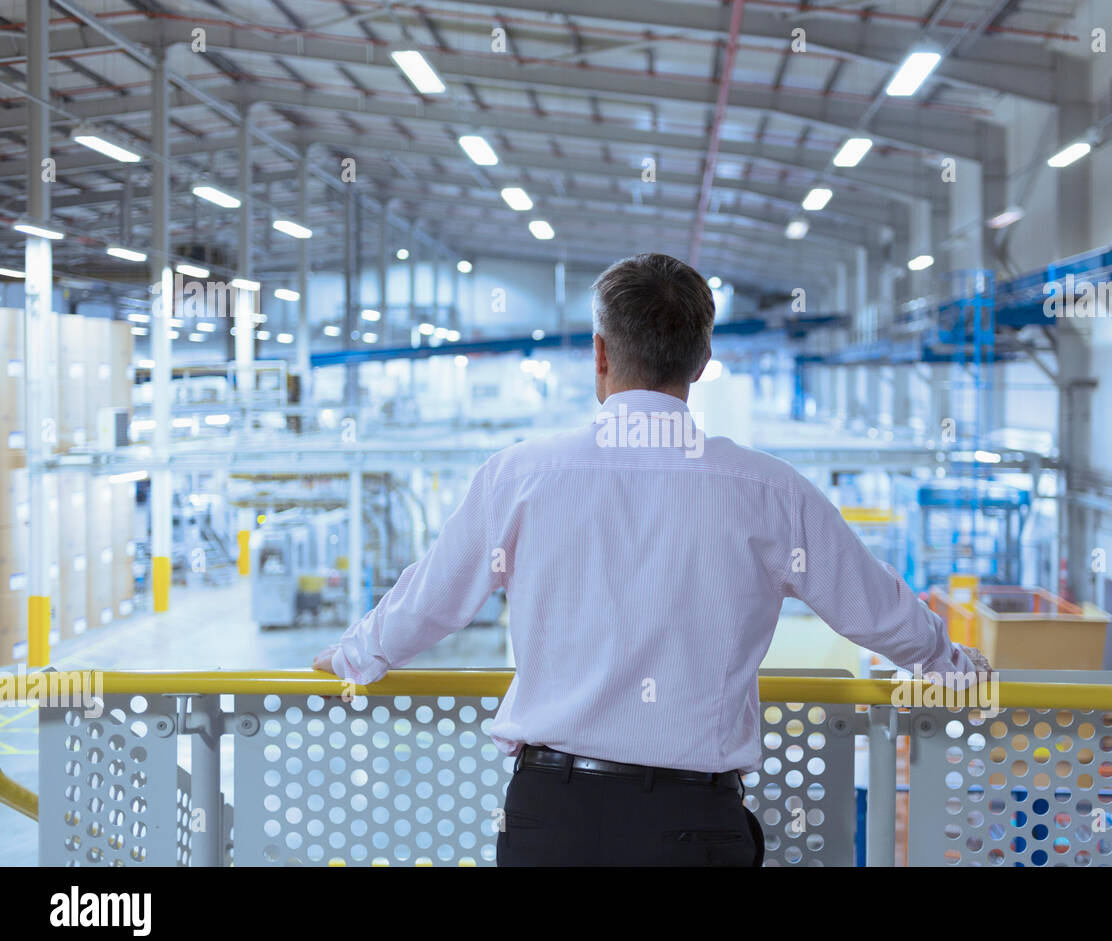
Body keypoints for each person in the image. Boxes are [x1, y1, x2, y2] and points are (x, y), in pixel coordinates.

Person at [313, 252, 988, 866]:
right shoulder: (769, 491)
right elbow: (874, 608)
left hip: (553, 822)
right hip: (691, 826)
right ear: (700, 361)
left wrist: (356, 655)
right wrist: (949, 665)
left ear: (600, 354)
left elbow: (432, 598)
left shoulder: (520, 475)